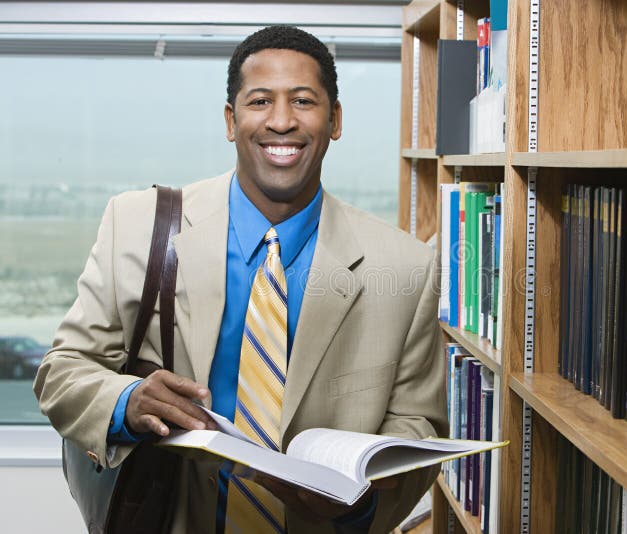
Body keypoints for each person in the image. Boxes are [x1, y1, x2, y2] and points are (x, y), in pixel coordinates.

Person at [34, 25, 447, 534]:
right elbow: (62, 371)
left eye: (302, 101)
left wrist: (359, 507)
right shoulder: (138, 225)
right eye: (259, 101)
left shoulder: (405, 266)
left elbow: (419, 429)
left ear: (335, 120)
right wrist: (126, 402)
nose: (281, 121)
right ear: (231, 121)